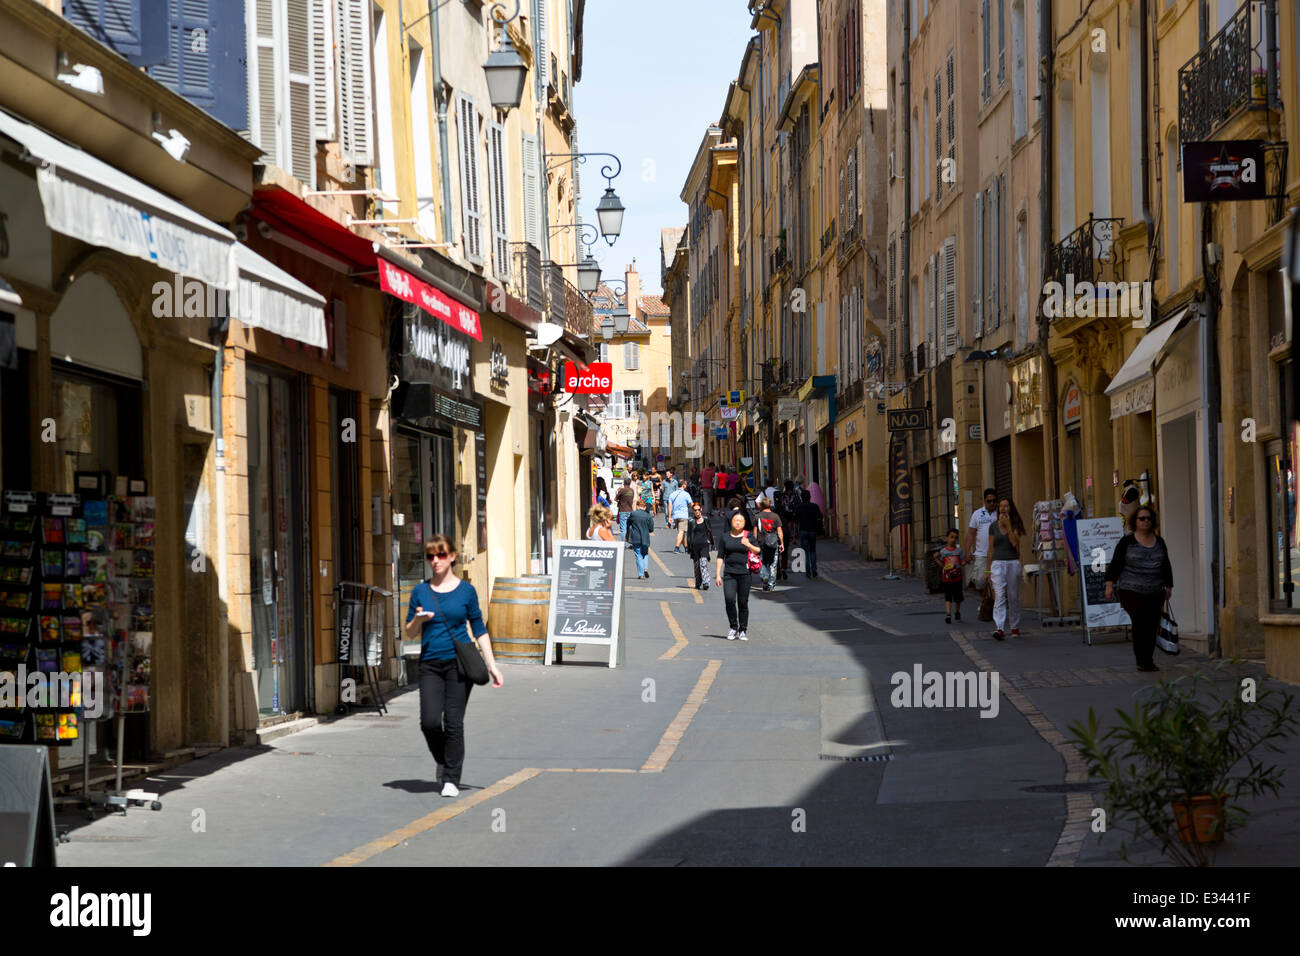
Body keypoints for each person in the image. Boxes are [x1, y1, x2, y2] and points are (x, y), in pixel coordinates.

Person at [404, 535, 504, 798]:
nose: (434, 561)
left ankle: (451, 778)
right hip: (429, 665)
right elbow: (410, 632)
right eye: (430, 556)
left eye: (440, 555)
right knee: (429, 722)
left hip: (458, 665)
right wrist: (418, 619)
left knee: (454, 722)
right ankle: (444, 759)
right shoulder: (420, 591)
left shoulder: (466, 592)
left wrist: (492, 665)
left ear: (452, 557)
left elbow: (479, 629)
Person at [1104, 505, 1174, 672]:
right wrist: (1109, 585)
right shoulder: (1127, 542)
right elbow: (1116, 565)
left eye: (1149, 518)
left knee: (1151, 624)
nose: (1146, 521)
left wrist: (1169, 585)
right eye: (1142, 518)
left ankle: (1148, 659)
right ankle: (1141, 659)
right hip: (1131, 590)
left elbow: (1165, 565)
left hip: (1155, 590)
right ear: (1135, 521)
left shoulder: (1159, 541)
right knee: (1139, 621)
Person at [716, 510, 762, 641]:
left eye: (740, 521)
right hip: (729, 573)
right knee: (729, 600)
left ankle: (743, 629)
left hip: (744, 574)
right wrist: (718, 574)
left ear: (744, 523)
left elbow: (758, 550)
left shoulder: (748, 536)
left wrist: (748, 544)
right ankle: (733, 627)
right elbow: (720, 556)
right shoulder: (725, 537)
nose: (738, 523)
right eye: (735, 520)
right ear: (731, 522)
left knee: (743, 602)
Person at [983, 497, 1025, 640]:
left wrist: (1008, 527)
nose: (1003, 508)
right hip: (997, 564)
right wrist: (987, 570)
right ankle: (999, 628)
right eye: (1001, 506)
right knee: (1000, 596)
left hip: (1012, 562)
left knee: (1013, 596)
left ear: (1010, 508)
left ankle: (1014, 626)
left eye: (1006, 506)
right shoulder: (993, 526)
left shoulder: (1016, 524)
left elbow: (1015, 545)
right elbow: (990, 549)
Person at [964, 488, 999, 593]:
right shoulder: (977, 514)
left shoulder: (1000, 513)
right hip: (981, 554)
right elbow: (970, 533)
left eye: (994, 501)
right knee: (980, 582)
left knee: (996, 583)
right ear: (984, 501)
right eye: (989, 501)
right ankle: (984, 602)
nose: (992, 503)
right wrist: (967, 551)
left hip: (997, 554)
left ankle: (994, 605)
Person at [754, 497, 785, 591]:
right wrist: (782, 543)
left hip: (761, 543)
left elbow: (755, 532)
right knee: (773, 564)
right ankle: (771, 584)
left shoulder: (757, 516)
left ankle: (764, 577)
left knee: (762, 562)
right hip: (773, 542)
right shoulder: (775, 516)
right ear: (770, 505)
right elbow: (780, 532)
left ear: (761, 506)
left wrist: (755, 543)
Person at [937, 529, 965, 624]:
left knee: (958, 597)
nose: (953, 540)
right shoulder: (943, 552)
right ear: (947, 538)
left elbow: (962, 563)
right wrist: (936, 558)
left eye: (955, 538)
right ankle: (948, 614)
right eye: (951, 537)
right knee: (948, 596)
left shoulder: (959, 551)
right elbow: (941, 564)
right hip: (947, 578)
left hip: (957, 578)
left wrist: (967, 560)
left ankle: (957, 612)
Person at [686, 500, 715, 590]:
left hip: (704, 545)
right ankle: (698, 582)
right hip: (695, 546)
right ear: (693, 511)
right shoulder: (691, 521)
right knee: (697, 566)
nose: (697, 512)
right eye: (695, 510)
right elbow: (689, 535)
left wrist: (712, 543)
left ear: (701, 509)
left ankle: (706, 582)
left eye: (698, 509)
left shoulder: (706, 519)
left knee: (703, 563)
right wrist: (688, 547)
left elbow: (710, 532)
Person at [795, 489, 823, 579]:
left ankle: (807, 572)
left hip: (803, 531)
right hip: (812, 531)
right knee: (812, 550)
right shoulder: (815, 506)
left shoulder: (799, 507)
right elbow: (820, 517)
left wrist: (795, 534)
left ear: (801, 498)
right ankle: (814, 569)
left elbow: (796, 522)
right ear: (810, 497)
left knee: (805, 552)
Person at [625, 497, 655, 579]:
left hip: (636, 537)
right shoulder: (648, 516)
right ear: (644, 507)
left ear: (637, 506)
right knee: (645, 553)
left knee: (638, 555)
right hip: (645, 537)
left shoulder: (633, 514)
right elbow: (651, 529)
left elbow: (628, 523)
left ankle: (641, 574)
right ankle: (645, 568)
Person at [776, 480, 801, 581]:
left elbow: (780, 506)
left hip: (783, 518)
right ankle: (783, 568)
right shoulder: (795, 494)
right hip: (792, 516)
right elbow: (798, 503)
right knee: (785, 551)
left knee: (777, 552)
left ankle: (778, 572)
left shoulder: (782, 495)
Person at [667, 482, 693, 553]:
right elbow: (691, 504)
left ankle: (686, 547)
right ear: (683, 485)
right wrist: (697, 509)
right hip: (683, 516)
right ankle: (676, 548)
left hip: (675, 516)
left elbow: (669, 506)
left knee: (681, 533)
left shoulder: (672, 494)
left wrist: (669, 517)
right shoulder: (686, 494)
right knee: (681, 532)